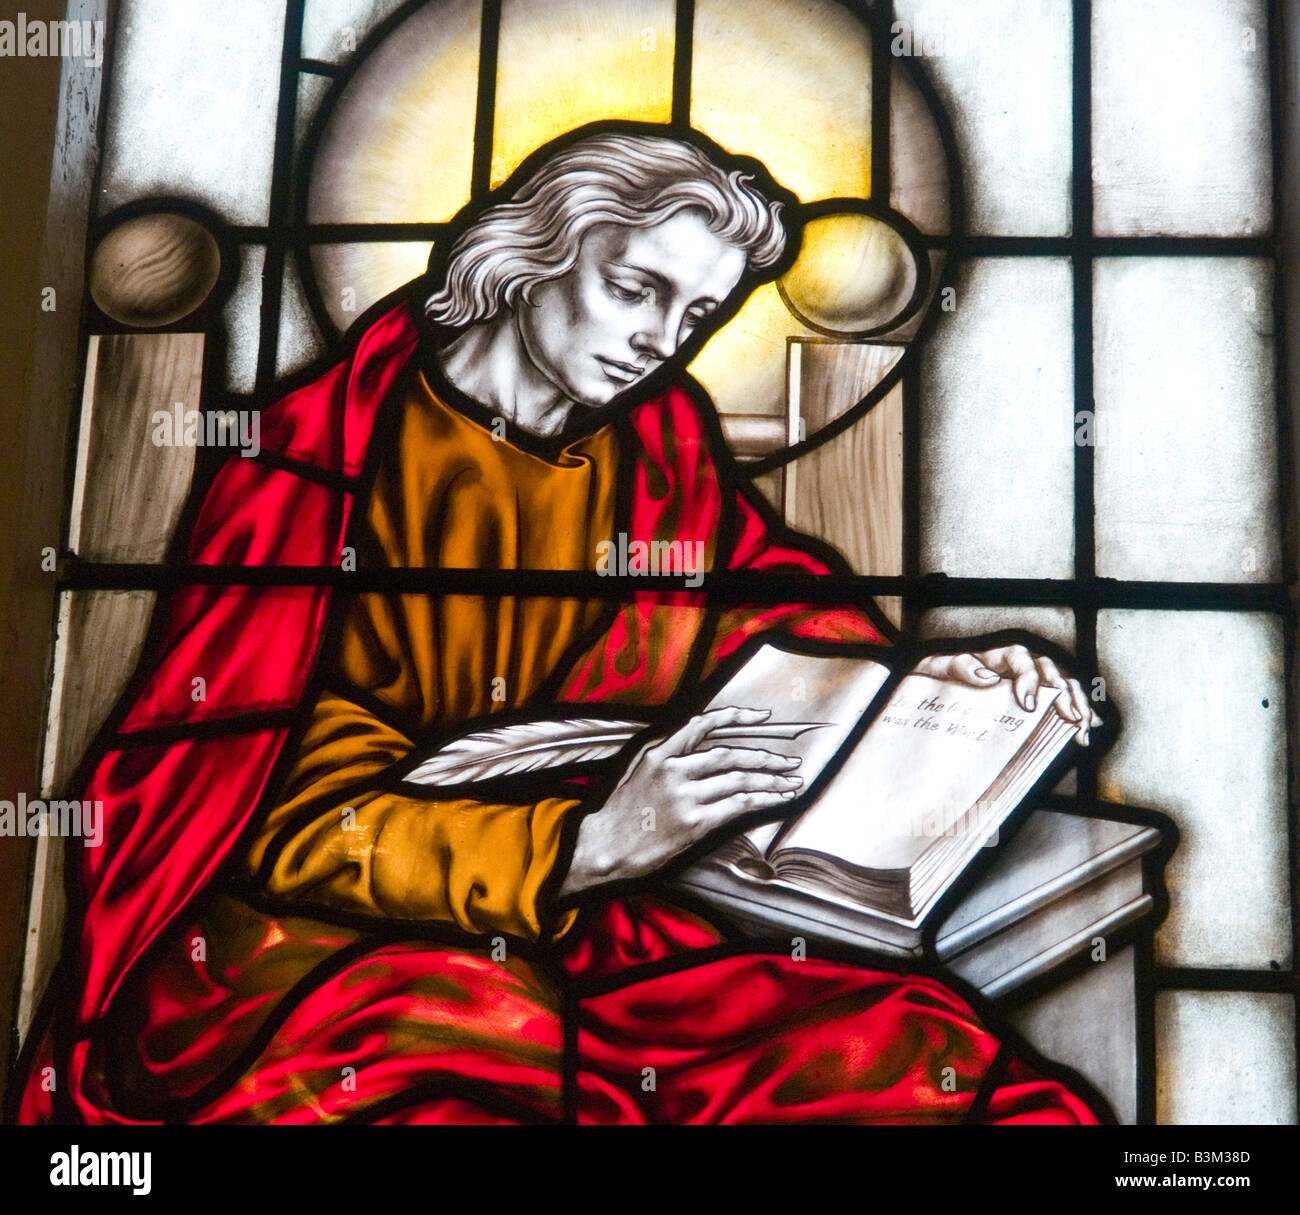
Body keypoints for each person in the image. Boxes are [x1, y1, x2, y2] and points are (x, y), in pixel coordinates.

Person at [16, 128, 1102, 1125]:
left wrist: (939, 683)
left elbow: (762, 601)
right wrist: (584, 845)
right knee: (476, 1059)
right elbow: (287, 821)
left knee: (919, 1061)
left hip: (600, 919)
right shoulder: (318, 467)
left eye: (696, 316)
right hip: (318, 951)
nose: (658, 343)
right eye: (635, 288)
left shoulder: (657, 441)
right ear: (528, 253)